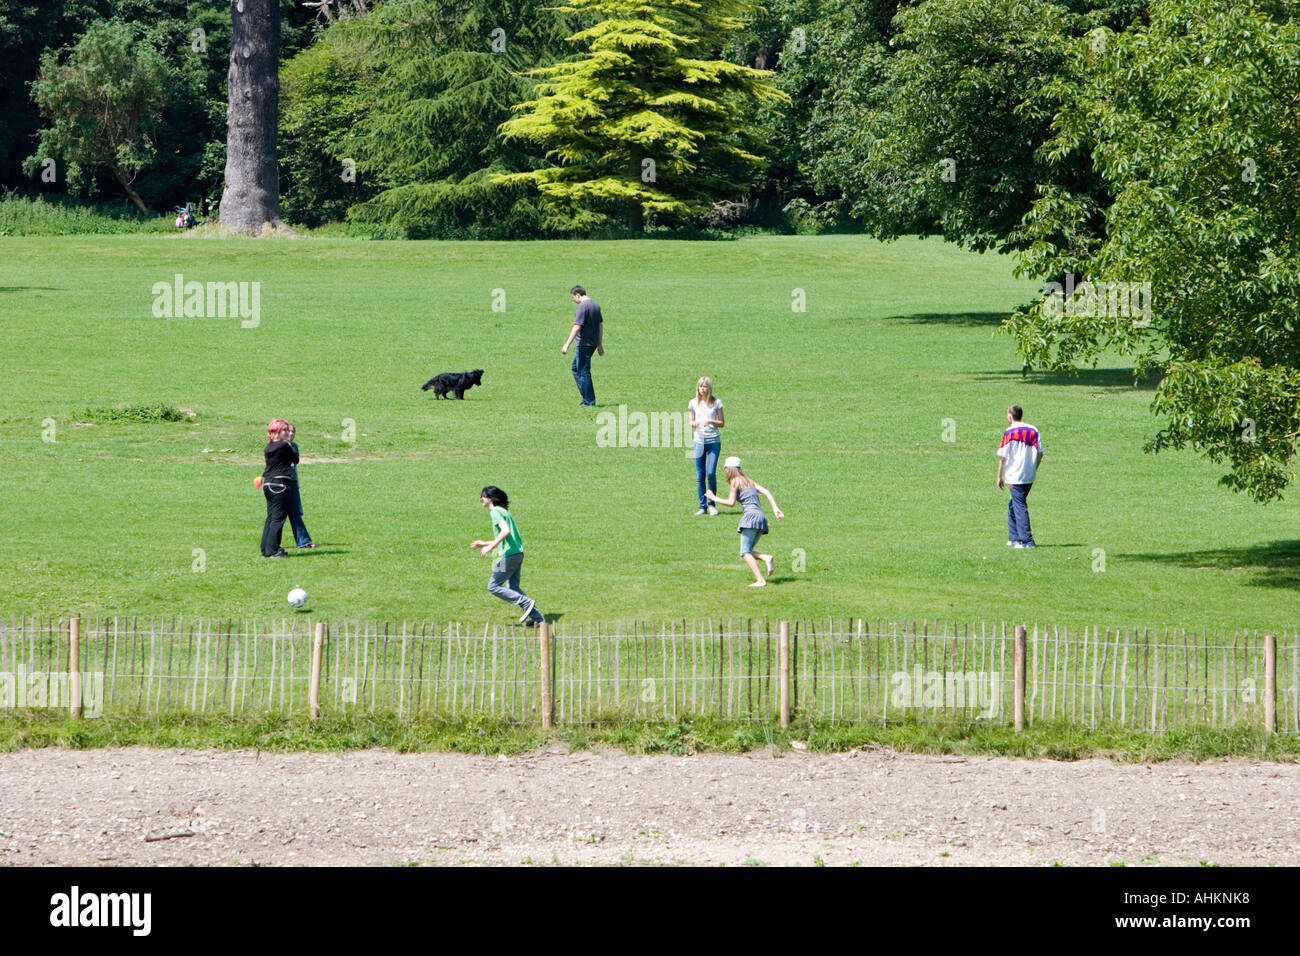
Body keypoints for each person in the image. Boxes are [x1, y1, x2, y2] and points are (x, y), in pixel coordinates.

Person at [470, 486, 546, 625]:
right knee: (513, 588)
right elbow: (507, 537)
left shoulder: (495, 512)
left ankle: (526, 602)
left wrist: (491, 546)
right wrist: (485, 543)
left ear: (491, 499)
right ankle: (538, 619)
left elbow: (505, 531)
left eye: (483, 496)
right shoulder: (504, 512)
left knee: (493, 586)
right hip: (517, 553)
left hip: (508, 556)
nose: (481, 499)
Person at [706, 456, 784, 587]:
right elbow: (766, 492)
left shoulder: (735, 482)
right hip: (761, 518)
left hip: (750, 518)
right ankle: (765, 558)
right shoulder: (748, 480)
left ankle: (760, 580)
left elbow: (731, 503)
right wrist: (775, 508)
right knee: (747, 550)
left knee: (744, 552)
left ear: (729, 469)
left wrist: (714, 498)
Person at [996, 405, 1044, 549]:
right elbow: (1040, 453)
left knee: (1019, 506)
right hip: (1029, 475)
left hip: (1015, 475)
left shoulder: (1009, 432)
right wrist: (1033, 468)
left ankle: (1027, 540)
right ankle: (1014, 537)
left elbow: (1003, 458)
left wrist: (999, 476)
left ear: (1010, 416)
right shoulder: (1033, 430)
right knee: (1014, 505)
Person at [560, 285, 604, 406]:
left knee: (583, 371)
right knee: (575, 368)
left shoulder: (582, 307)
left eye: (573, 297)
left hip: (584, 344)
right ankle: (586, 397)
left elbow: (577, 326)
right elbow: (600, 325)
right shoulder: (596, 305)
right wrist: (599, 344)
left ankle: (589, 401)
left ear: (578, 295)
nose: (573, 300)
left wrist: (566, 344)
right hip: (593, 343)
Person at [260, 419, 298, 558]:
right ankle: (273, 550)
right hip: (281, 484)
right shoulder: (283, 445)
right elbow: (295, 459)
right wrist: (288, 442)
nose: (287, 433)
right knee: (278, 518)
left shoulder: (268, 447)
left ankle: (266, 548)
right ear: (277, 432)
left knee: (270, 517)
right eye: (284, 430)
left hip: (268, 483)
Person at [688, 376, 724, 515]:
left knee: (711, 473)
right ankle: (702, 506)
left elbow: (722, 422)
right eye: (701, 386)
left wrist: (710, 421)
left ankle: (712, 504)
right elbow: (691, 421)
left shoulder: (717, 403)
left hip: (713, 441)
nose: (703, 389)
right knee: (700, 475)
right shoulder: (693, 403)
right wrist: (694, 423)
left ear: (709, 388)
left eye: (705, 386)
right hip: (699, 442)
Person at [284, 422, 315, 549]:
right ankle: (271, 543)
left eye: (293, 432)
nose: (291, 434)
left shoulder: (294, 446)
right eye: (289, 431)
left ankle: (303, 541)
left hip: (293, 482)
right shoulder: (278, 447)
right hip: (282, 484)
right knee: (277, 516)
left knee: (296, 512)